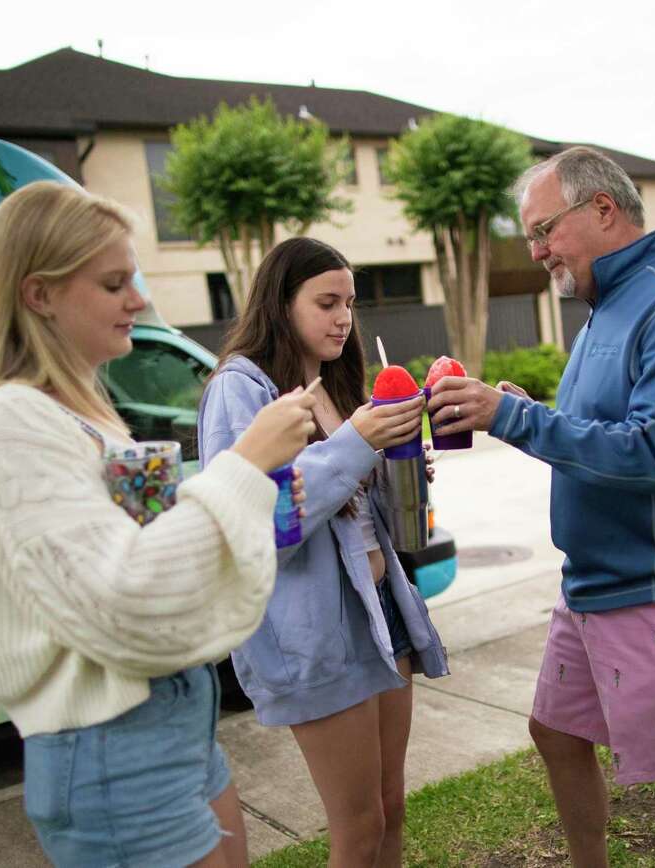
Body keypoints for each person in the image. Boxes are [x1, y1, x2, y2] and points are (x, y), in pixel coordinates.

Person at [0, 180, 317, 867]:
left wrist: (245, 489)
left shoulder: (81, 412)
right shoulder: (11, 420)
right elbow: (124, 596)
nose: (140, 301)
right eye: (114, 282)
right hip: (108, 743)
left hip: (172, 719)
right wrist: (243, 466)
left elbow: (142, 554)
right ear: (39, 294)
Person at [427, 146, 655, 864]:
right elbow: (601, 434)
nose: (539, 250)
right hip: (598, 588)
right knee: (556, 733)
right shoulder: (607, 306)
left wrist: (512, 419)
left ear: (603, 209)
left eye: (545, 230)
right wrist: (518, 408)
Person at [198, 236, 449, 868]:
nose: (343, 318)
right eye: (327, 302)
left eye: (351, 303)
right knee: (358, 828)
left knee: (391, 809)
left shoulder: (336, 383)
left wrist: (402, 473)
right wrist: (354, 445)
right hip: (317, 635)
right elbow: (253, 526)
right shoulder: (240, 389)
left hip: (381, 620)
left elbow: (359, 518)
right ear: (280, 305)